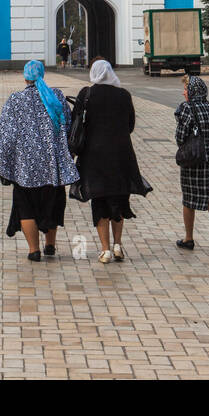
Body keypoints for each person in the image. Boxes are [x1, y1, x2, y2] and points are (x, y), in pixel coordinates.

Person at [0, 60, 78, 262]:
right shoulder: (56, 97)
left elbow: (6, 136)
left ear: (25, 77)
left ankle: (34, 250)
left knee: (26, 208)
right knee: (52, 204)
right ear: (42, 75)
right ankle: (50, 245)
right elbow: (68, 129)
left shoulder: (15, 100)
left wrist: (4, 164)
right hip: (52, 167)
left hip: (25, 169)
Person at [70, 60, 151, 264]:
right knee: (119, 199)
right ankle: (117, 245)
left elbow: (75, 123)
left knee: (100, 199)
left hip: (94, 156)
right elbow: (130, 125)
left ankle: (105, 249)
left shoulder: (86, 94)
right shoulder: (124, 95)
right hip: (121, 155)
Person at [174, 75, 209, 257]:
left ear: (192, 91)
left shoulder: (187, 109)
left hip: (194, 161)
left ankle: (188, 238)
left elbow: (180, 138)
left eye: (185, 89)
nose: (183, 92)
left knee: (189, 198)